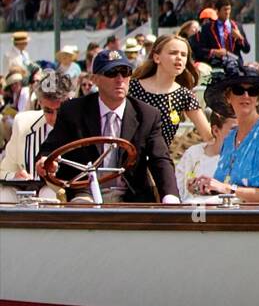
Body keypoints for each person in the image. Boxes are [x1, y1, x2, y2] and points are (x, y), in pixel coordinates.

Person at [38, 50, 180, 203]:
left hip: (132, 196)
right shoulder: (73, 111)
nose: (120, 79)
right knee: (81, 207)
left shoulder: (147, 115)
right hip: (84, 192)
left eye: (125, 72)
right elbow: (49, 148)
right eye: (111, 73)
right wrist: (45, 161)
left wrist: (170, 197)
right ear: (95, 79)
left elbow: (160, 159)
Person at [192, 66, 259, 203]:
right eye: (238, 91)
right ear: (228, 97)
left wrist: (228, 189)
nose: (246, 96)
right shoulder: (230, 138)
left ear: (258, 99)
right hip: (232, 216)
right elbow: (223, 185)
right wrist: (205, 186)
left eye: (252, 91)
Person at [129, 34, 212, 148]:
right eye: (173, 53)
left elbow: (208, 136)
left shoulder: (185, 95)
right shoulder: (132, 87)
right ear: (157, 58)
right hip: (130, 157)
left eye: (184, 55)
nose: (179, 57)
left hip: (161, 160)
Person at [1, 71, 72, 182]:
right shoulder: (23, 124)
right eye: (48, 111)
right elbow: (4, 171)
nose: (54, 118)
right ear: (40, 103)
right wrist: (15, 177)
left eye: (60, 110)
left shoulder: (81, 125)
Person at [176, 110, 235, 203]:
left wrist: (223, 189)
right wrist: (192, 188)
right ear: (216, 130)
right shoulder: (193, 154)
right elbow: (178, 191)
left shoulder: (247, 156)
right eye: (234, 129)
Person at [195, 0, 250, 68]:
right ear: (217, 11)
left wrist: (240, 38)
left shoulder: (236, 26)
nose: (227, 12)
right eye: (225, 9)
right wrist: (215, 52)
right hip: (216, 64)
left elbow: (247, 49)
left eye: (229, 9)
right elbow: (200, 50)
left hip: (235, 64)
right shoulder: (208, 28)